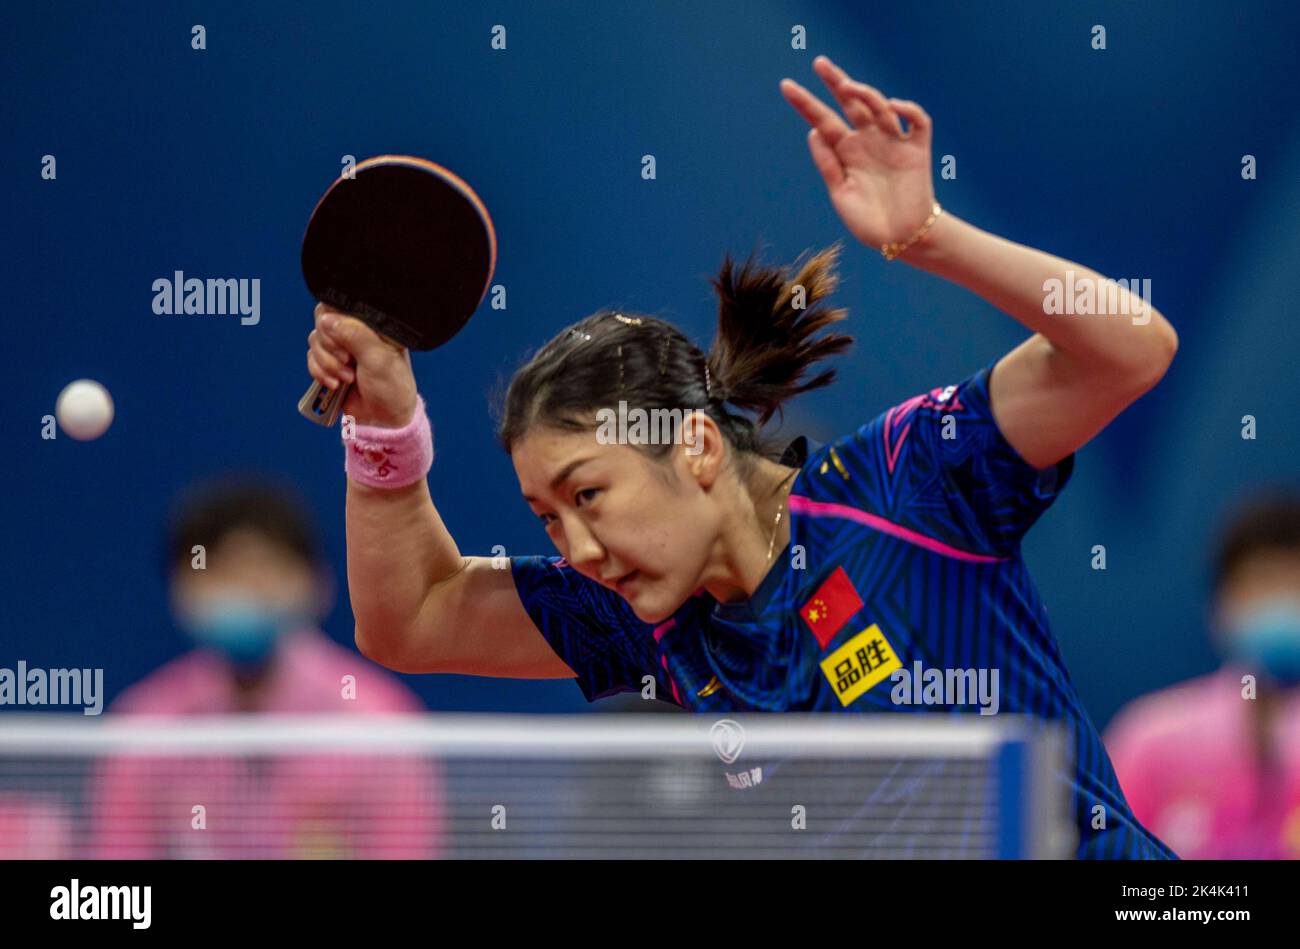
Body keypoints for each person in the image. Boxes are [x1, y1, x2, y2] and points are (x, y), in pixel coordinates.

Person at [305, 56, 1178, 858]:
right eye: (546, 518)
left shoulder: (902, 485)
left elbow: (1131, 350)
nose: (576, 549)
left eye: (589, 494)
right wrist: (385, 426)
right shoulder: (645, 617)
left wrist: (930, 235)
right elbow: (409, 618)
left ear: (697, 444)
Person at [90, 476, 441, 859]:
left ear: (318, 583)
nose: (244, 589)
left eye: (264, 568)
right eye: (219, 570)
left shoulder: (380, 724)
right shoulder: (143, 727)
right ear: (179, 590)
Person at [1105, 492, 1300, 859]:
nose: (1283, 601)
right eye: (1262, 584)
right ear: (1220, 607)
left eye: (1296, 585)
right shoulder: (1151, 737)